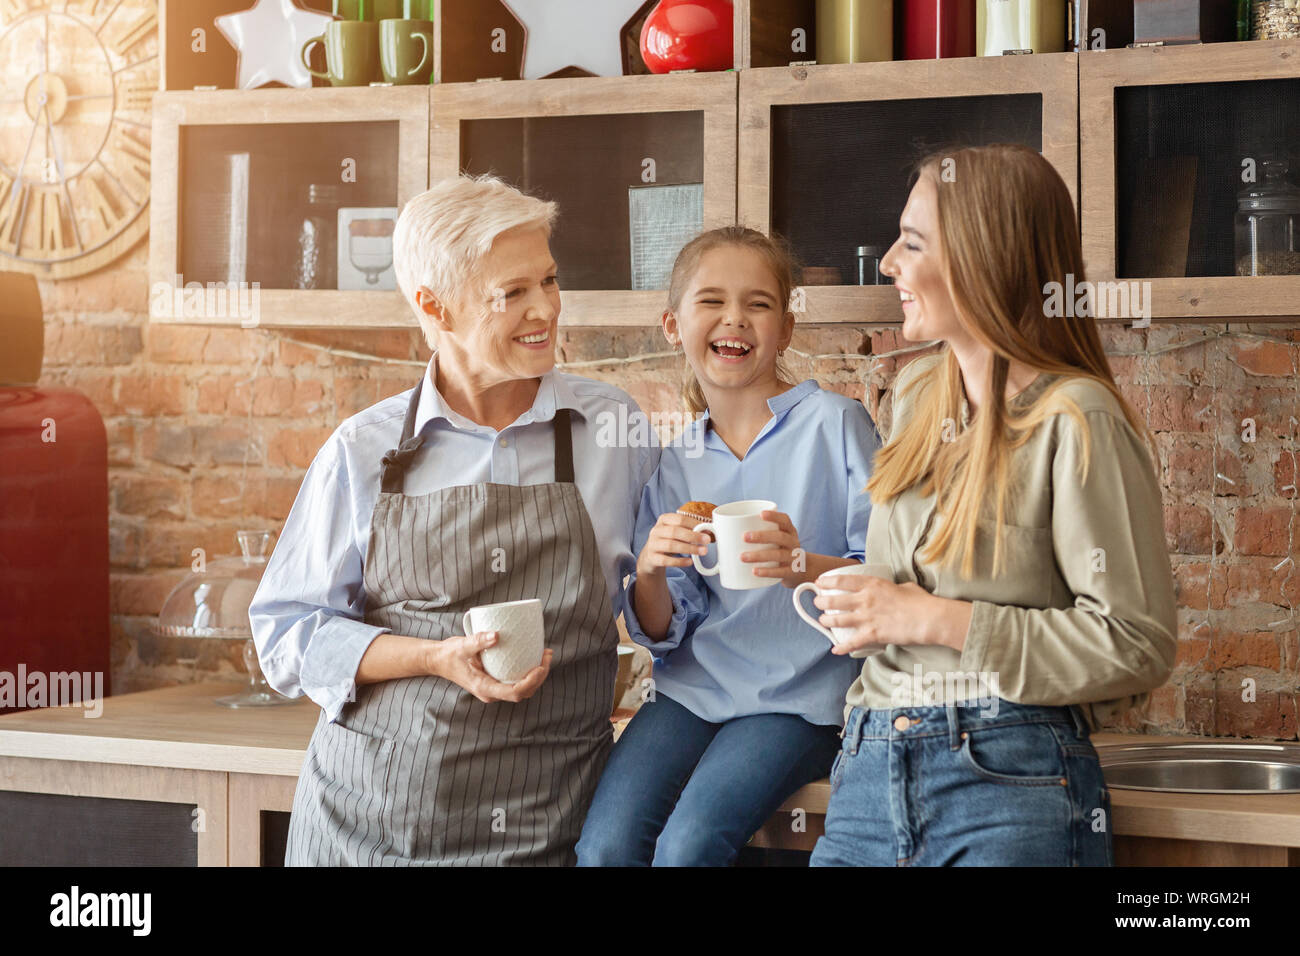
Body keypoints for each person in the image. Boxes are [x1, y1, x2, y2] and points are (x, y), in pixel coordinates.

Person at [248, 174, 659, 865]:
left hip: (542, 823)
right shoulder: (364, 450)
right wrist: (433, 658)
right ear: (434, 306)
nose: (547, 310)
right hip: (368, 823)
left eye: (550, 281)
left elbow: (662, 614)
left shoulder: (611, 430)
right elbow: (288, 633)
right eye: (513, 293)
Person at [807, 144, 1177, 867]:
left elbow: (1136, 641)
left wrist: (932, 618)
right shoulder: (917, 394)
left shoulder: (1077, 418)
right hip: (869, 760)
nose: (888, 263)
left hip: (1006, 774)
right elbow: (907, 588)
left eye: (912, 244)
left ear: (984, 259)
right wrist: (856, 596)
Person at [575, 226, 879, 866]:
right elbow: (663, 628)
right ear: (671, 324)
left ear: (786, 328)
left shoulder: (837, 425)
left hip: (799, 701)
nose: (733, 319)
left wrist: (800, 565)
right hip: (691, 693)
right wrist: (652, 571)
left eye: (758, 303)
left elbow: (884, 575)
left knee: (688, 846)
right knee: (604, 847)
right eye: (711, 301)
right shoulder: (676, 461)